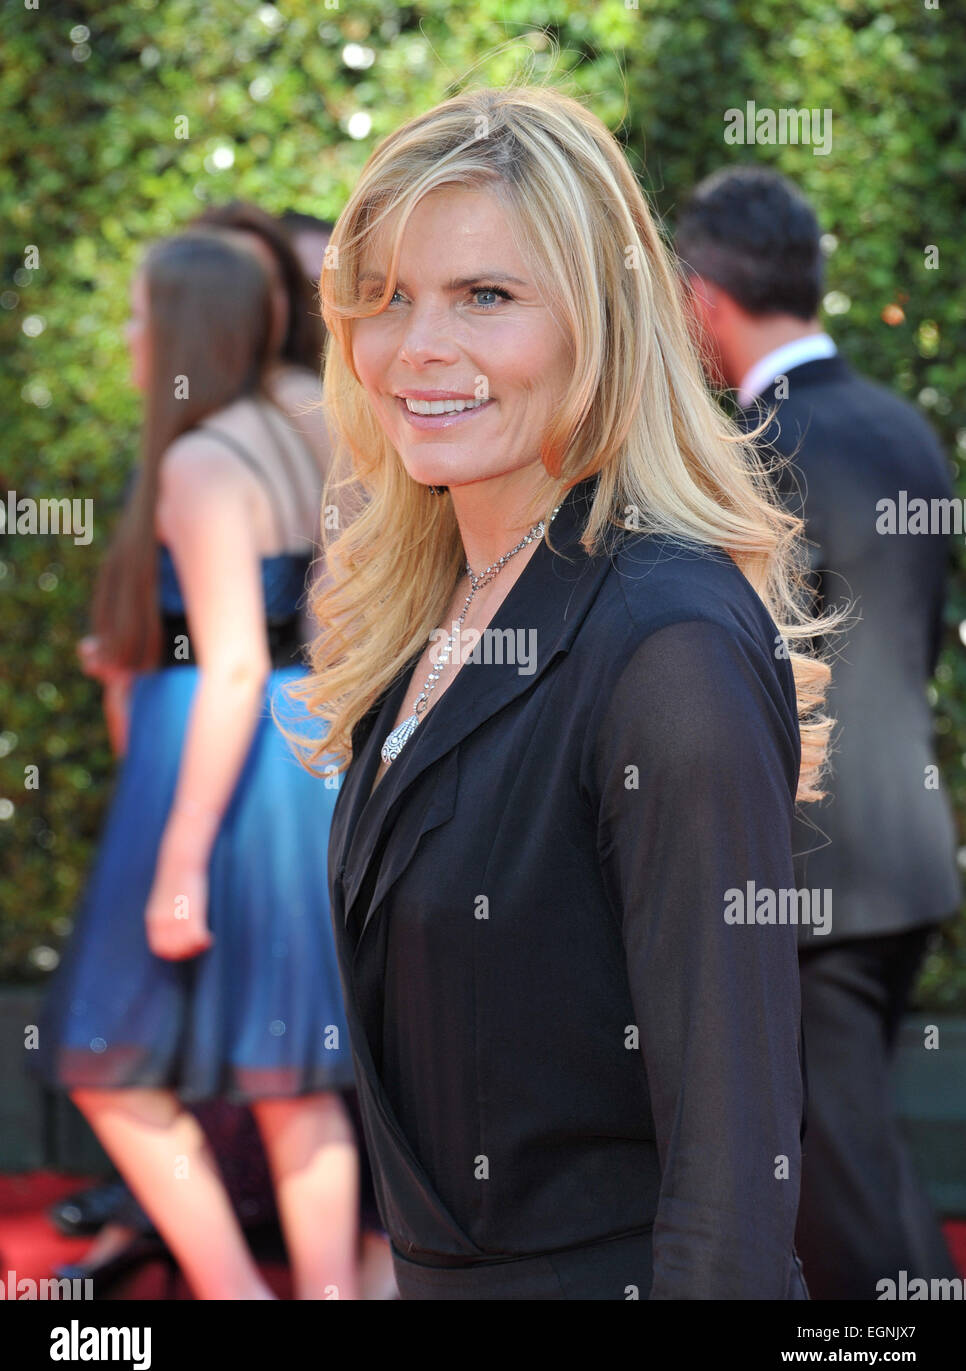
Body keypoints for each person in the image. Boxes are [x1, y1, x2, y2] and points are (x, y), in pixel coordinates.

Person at [283, 83, 843, 1300]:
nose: (418, 346)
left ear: (601, 322)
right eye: (384, 299)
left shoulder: (666, 641)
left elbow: (736, 1184)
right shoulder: (441, 604)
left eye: (485, 295)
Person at [28, 232, 360, 1300]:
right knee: (291, 1069)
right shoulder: (306, 415)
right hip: (298, 761)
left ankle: (238, 1293)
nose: (127, 336)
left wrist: (177, 860)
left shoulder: (202, 457)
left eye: (137, 315)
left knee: (106, 1054)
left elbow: (229, 668)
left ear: (182, 331)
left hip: (225, 777)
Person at [676, 164, 962, 1298]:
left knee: (837, 1183)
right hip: (903, 853)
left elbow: (742, 676)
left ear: (704, 295)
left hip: (807, 872)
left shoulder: (754, 453)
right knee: (859, 1150)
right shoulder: (900, 424)